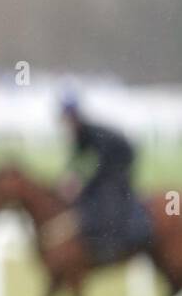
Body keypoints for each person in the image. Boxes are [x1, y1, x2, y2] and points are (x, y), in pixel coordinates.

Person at [60, 95, 151, 263]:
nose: (66, 122)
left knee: (105, 191)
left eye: (68, 117)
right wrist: (67, 179)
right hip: (108, 161)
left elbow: (100, 168)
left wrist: (80, 184)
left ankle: (112, 240)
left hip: (123, 158)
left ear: (75, 116)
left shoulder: (93, 133)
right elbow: (75, 160)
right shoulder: (80, 134)